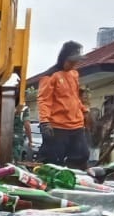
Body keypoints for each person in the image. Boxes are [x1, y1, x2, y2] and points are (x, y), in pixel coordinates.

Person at [36, 41, 90, 169]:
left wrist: (84, 110)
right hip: (57, 126)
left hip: (76, 124)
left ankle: (74, 181)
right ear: (64, 58)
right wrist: (45, 121)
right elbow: (44, 100)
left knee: (82, 155)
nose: (74, 64)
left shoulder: (74, 74)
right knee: (53, 161)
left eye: (76, 61)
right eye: (72, 61)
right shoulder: (50, 76)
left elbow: (74, 97)